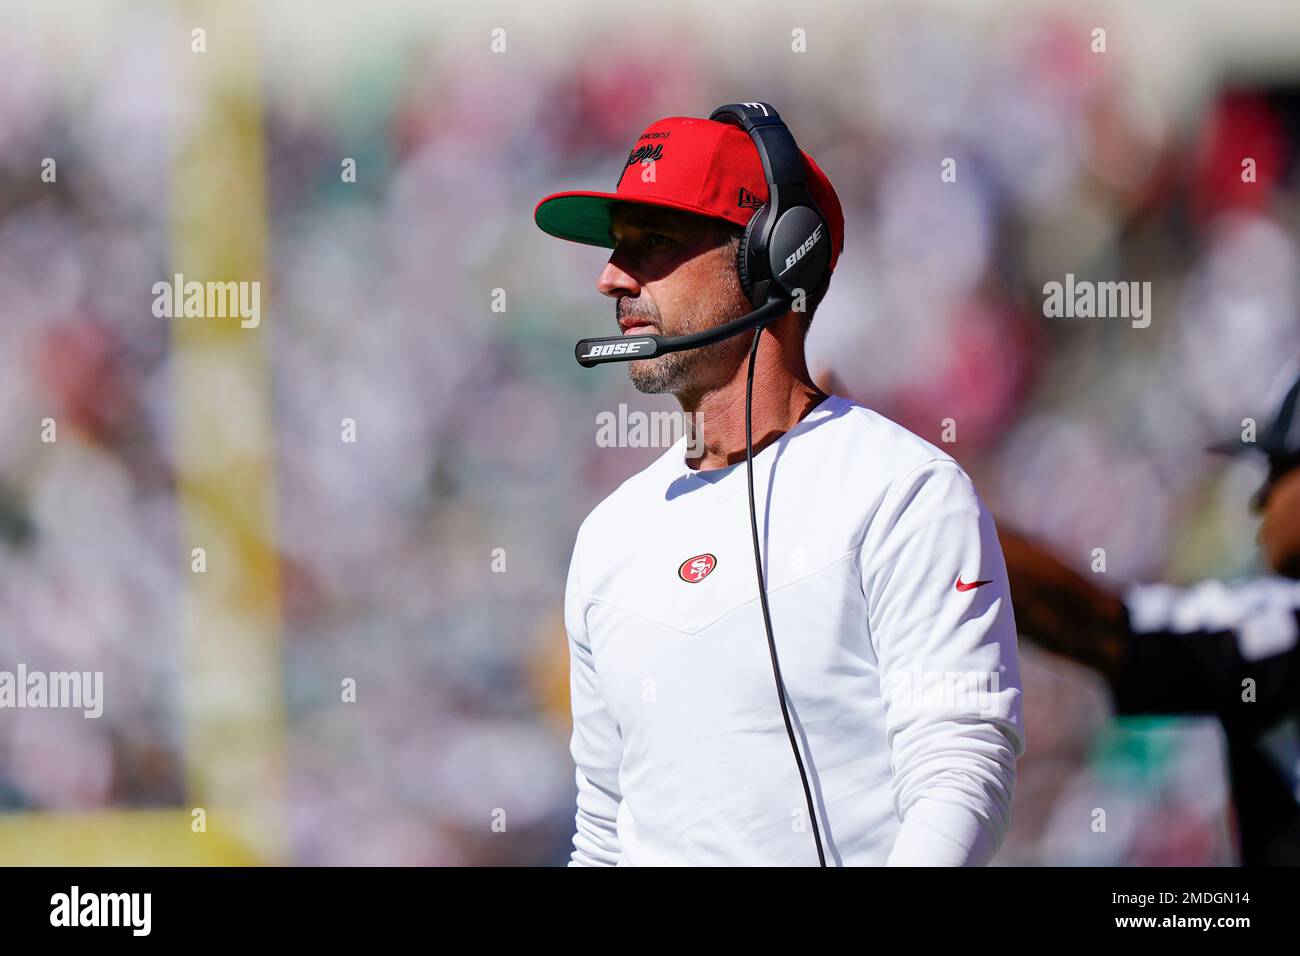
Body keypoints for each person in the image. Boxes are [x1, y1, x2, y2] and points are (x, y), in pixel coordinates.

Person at [534, 107, 1025, 866]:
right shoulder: (607, 536)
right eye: (616, 249)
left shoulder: (905, 494)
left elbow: (959, 775)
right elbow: (603, 831)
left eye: (653, 243)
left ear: (775, 260)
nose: (610, 277)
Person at [1000, 365, 1300, 865]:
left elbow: (1093, 625)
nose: (1259, 499)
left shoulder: (1282, 625)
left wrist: (922, 504)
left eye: (1278, 469)